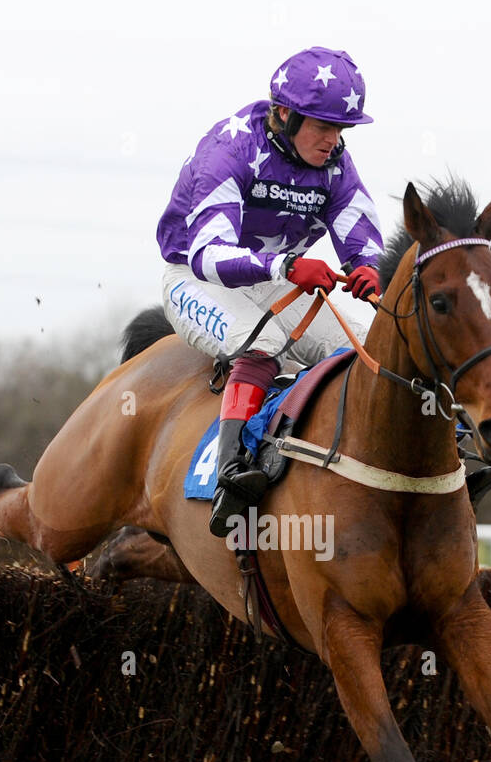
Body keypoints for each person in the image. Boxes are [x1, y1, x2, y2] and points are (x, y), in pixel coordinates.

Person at [157, 45, 383, 536]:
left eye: (341, 129)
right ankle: (231, 473)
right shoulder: (229, 149)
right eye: (323, 127)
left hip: (278, 279)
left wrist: (367, 266)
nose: (333, 141)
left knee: (365, 349)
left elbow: (356, 223)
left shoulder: (334, 162)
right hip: (196, 278)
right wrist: (287, 263)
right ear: (284, 114)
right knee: (264, 343)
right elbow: (208, 254)